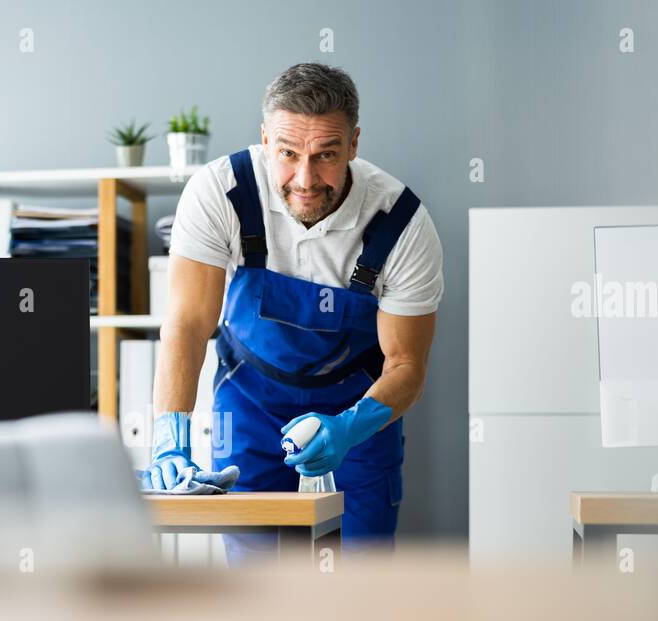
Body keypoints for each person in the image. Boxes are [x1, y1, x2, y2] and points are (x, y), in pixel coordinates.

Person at [142, 63, 444, 562]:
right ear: (264, 141)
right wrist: (169, 437)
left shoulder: (402, 223)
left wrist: (347, 427)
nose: (305, 179)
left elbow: (407, 366)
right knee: (258, 585)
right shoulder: (221, 192)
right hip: (248, 406)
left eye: (326, 154)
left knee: (361, 583)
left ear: (353, 144)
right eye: (287, 154)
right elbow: (188, 324)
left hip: (359, 413)